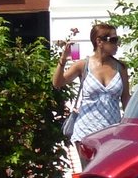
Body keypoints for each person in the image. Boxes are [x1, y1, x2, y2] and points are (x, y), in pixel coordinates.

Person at [53, 23, 130, 168]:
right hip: (86, 130)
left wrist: (131, 124)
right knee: (89, 174)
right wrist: (63, 60)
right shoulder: (83, 65)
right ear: (99, 42)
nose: (117, 44)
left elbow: (126, 98)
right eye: (113, 40)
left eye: (117, 40)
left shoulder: (121, 67)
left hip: (111, 131)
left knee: (109, 173)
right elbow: (58, 83)